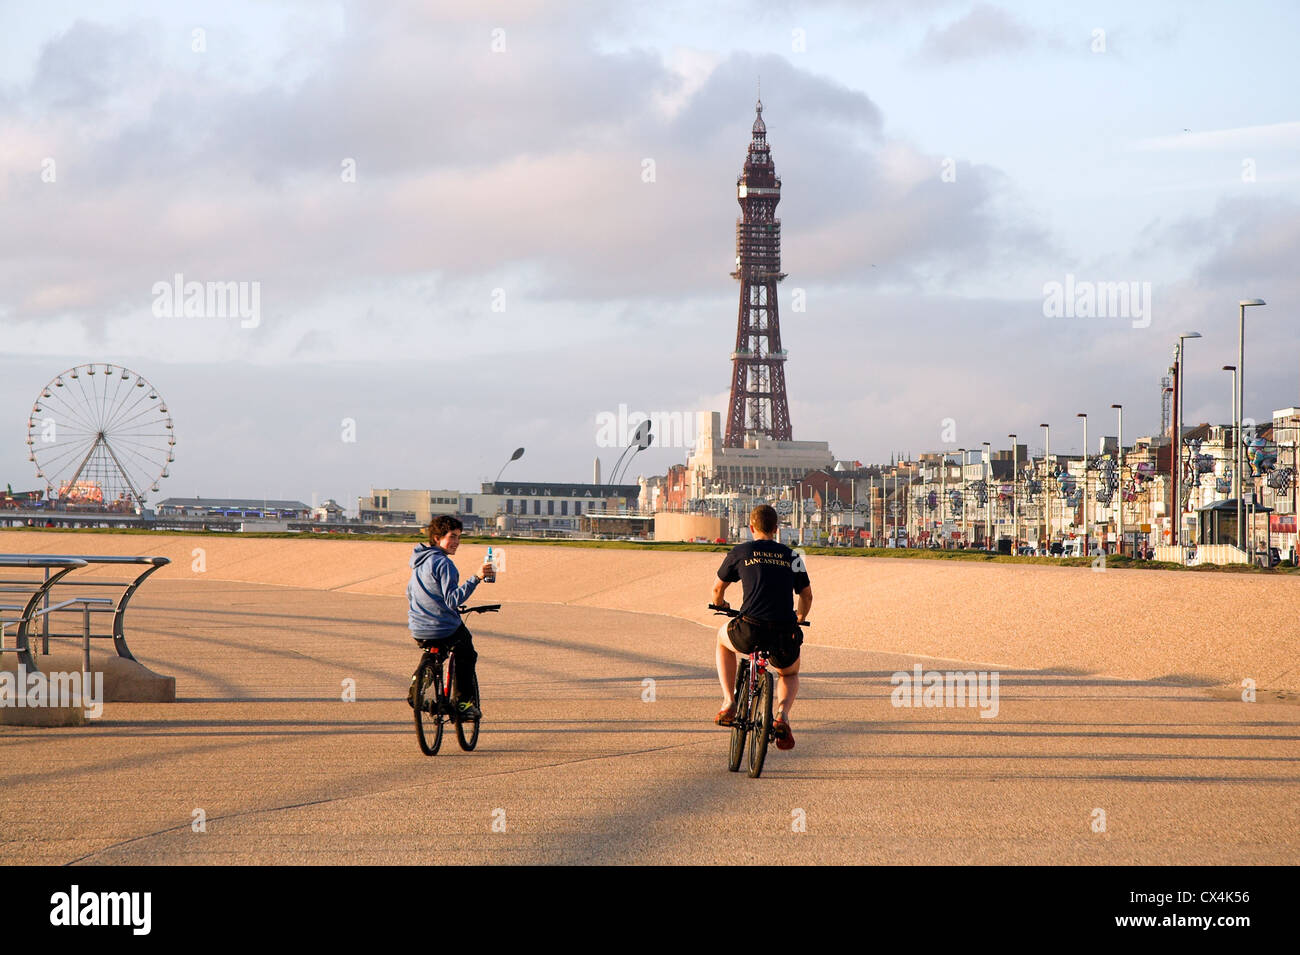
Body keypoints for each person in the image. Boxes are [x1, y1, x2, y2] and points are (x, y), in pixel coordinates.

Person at [712, 504, 812, 750]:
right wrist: (800, 616)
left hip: (750, 628)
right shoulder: (793, 556)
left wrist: (720, 603)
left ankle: (729, 702)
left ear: (751, 527)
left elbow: (717, 588)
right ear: (776, 529)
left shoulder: (741, 551)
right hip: (783, 631)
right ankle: (782, 716)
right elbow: (807, 596)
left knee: (722, 641)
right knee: (789, 672)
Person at [406, 514, 494, 719]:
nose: (456, 542)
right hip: (442, 627)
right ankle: (463, 703)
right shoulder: (444, 564)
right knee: (466, 652)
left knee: (434, 652)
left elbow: (410, 593)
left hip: (418, 627)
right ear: (437, 538)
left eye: (459, 538)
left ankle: (419, 686)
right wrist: (477, 578)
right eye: (452, 537)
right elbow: (453, 600)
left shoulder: (418, 562)